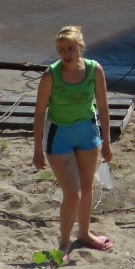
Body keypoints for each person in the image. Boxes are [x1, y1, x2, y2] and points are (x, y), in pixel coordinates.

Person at [33, 25, 114, 253]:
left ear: (80, 47)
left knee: (87, 188)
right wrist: (38, 150)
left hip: (87, 133)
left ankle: (84, 233)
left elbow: (103, 107)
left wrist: (107, 142)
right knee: (72, 194)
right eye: (61, 50)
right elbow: (39, 114)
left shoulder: (94, 70)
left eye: (70, 48)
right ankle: (64, 243)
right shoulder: (51, 75)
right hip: (60, 136)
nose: (66, 54)